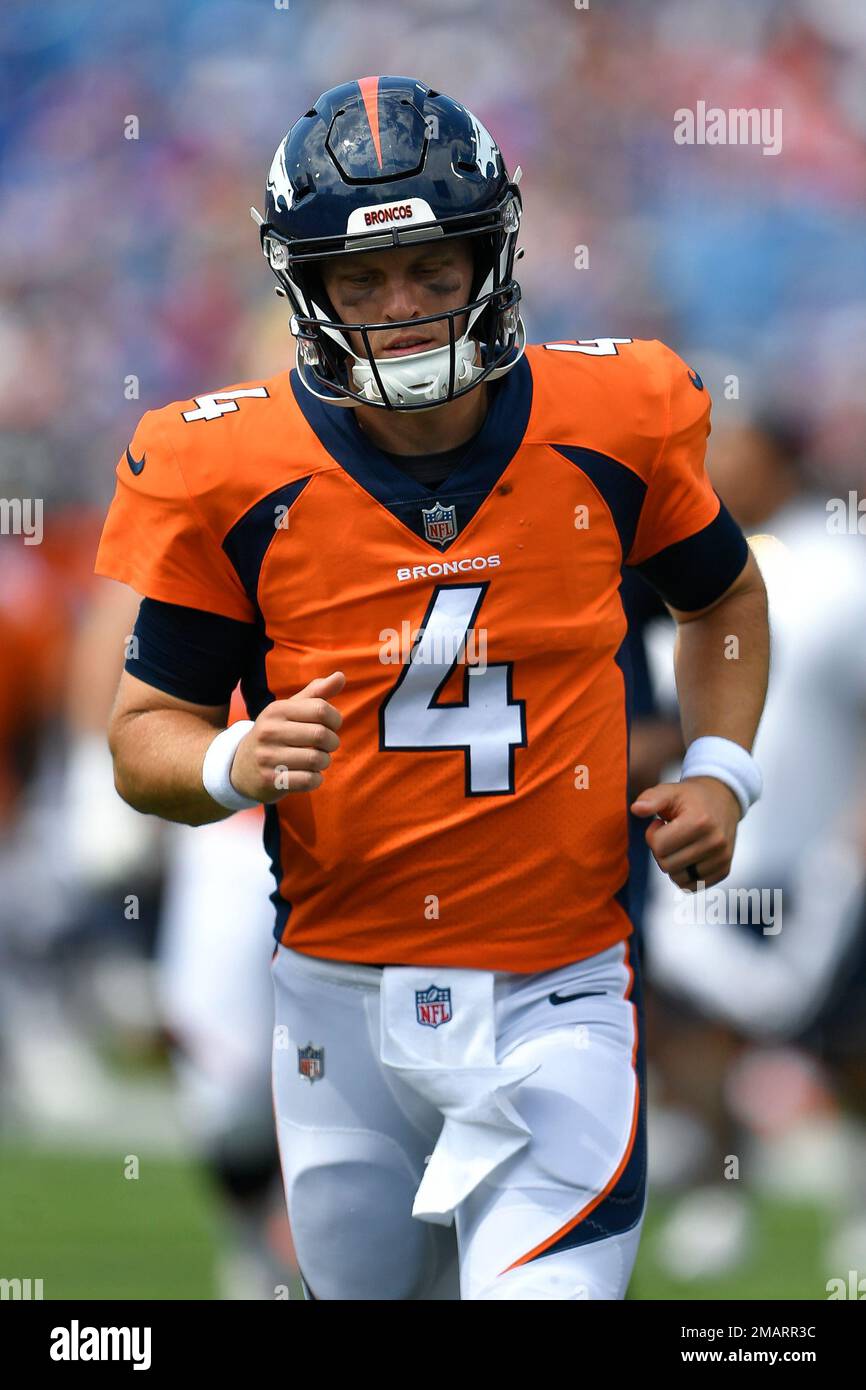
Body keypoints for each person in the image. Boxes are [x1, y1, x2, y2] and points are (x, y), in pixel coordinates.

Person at [94, 76, 769, 1300]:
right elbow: (143, 733)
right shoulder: (231, 468)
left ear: (490, 261)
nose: (400, 308)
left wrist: (722, 766)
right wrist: (222, 764)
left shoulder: (610, 419)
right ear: (308, 289)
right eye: (361, 280)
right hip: (335, 1012)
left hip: (558, 991)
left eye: (431, 269)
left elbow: (719, 597)